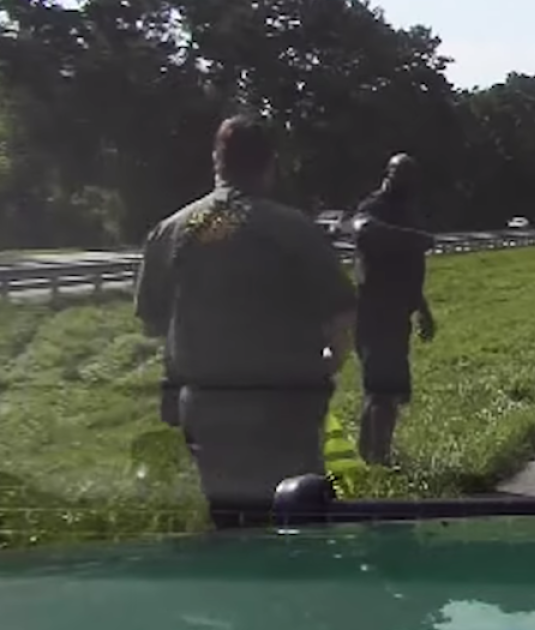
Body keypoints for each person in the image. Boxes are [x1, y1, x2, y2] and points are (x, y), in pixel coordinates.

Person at [134, 114, 357, 530]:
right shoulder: (292, 229)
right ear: (270, 163)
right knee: (297, 511)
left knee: (230, 515)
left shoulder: (170, 231)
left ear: (216, 161)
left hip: (206, 405)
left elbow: (152, 325)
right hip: (284, 402)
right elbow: (342, 317)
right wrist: (330, 363)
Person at [352, 152, 437, 466]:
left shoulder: (407, 211)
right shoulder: (372, 207)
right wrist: (416, 239)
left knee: (385, 389)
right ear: (388, 174)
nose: (411, 184)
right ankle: (378, 460)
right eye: (404, 176)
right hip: (374, 310)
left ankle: (372, 455)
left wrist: (423, 310)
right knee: (382, 388)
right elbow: (363, 230)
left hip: (398, 311)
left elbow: (412, 270)